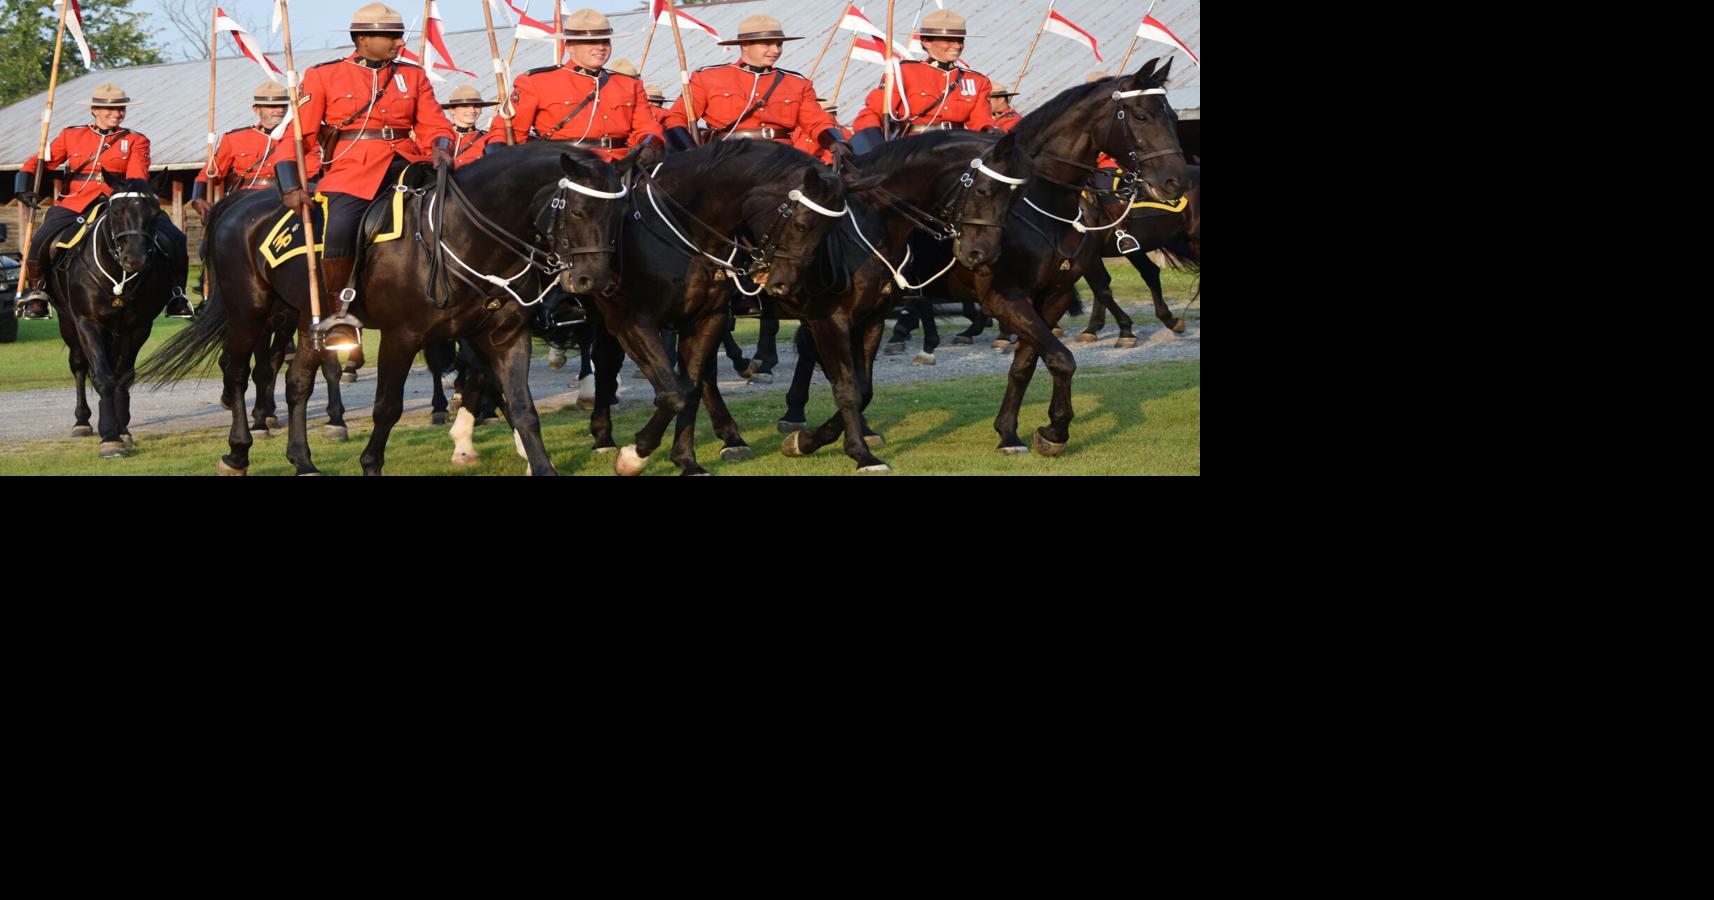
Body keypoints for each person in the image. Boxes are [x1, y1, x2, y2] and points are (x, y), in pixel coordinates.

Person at [283, 2, 454, 347]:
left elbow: (436, 124)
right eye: (390, 36)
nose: (399, 42)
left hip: (409, 163)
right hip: (353, 170)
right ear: (363, 39)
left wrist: (440, 146)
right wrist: (289, 185)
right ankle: (340, 314)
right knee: (340, 226)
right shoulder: (324, 75)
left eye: (399, 35)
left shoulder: (413, 75)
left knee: (457, 208)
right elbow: (298, 136)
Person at [13, 83, 193, 320]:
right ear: (94, 110)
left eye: (121, 109)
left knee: (175, 237)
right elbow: (41, 161)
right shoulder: (71, 135)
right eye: (110, 109)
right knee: (41, 239)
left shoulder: (137, 140)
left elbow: (137, 177)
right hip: (75, 202)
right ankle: (37, 295)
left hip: (117, 203)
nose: (116, 113)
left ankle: (176, 294)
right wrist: (22, 185)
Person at [662, 14, 853, 164]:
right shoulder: (708, 78)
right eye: (767, 44)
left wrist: (835, 140)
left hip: (780, 158)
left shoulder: (797, 84)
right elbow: (675, 118)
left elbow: (817, 122)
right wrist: (691, 153)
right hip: (727, 157)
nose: (776, 50)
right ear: (745, 45)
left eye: (779, 44)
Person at [505, 9, 664, 164]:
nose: (601, 47)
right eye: (591, 41)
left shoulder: (630, 85)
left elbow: (647, 126)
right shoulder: (536, 82)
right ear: (569, 46)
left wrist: (648, 144)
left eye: (606, 41)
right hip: (563, 166)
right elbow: (511, 133)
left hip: (618, 165)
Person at [850, 8, 996, 152]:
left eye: (960, 40)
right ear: (926, 42)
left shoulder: (977, 81)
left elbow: (982, 122)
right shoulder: (903, 72)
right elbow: (872, 113)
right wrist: (877, 148)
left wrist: (992, 132)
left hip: (958, 147)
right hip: (913, 148)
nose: (957, 46)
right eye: (949, 40)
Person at [438, 85, 503, 168]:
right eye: (465, 106)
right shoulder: (439, 139)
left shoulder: (488, 140)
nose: (472, 110)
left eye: (477, 106)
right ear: (451, 110)